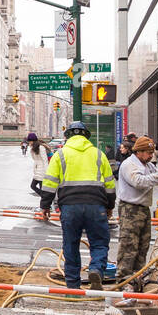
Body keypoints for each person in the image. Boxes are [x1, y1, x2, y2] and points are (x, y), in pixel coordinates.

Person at [39, 121, 116, 289]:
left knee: (70, 244)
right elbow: (110, 185)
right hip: (96, 205)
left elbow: (49, 182)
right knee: (99, 242)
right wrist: (110, 206)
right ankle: (96, 269)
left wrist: (45, 205)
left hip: (70, 206)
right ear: (86, 136)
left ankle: (73, 285)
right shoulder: (98, 154)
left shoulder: (60, 154)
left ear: (67, 136)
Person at [115, 136, 158, 289]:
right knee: (128, 244)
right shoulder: (129, 165)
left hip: (143, 208)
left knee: (143, 244)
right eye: (147, 152)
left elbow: (156, 179)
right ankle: (124, 279)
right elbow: (140, 182)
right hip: (130, 209)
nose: (151, 155)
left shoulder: (148, 166)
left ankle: (137, 276)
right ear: (138, 151)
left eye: (152, 152)